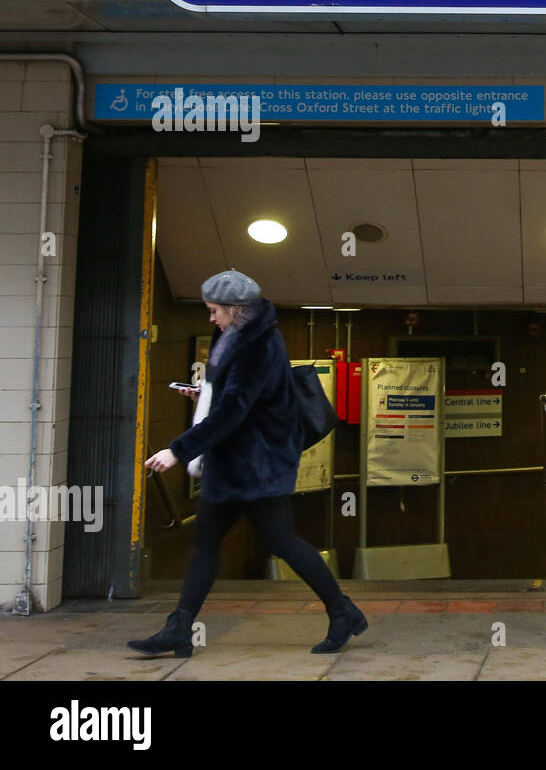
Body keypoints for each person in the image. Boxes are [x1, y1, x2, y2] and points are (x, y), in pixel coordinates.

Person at [128, 269, 367, 658]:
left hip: (257, 464)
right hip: (235, 461)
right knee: (207, 541)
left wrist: (178, 450)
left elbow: (234, 412)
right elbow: (231, 398)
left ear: (236, 310)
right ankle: (179, 627)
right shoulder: (234, 334)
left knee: (280, 541)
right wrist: (203, 397)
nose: (211, 318)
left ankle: (343, 611)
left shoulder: (258, 345)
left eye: (214, 310)